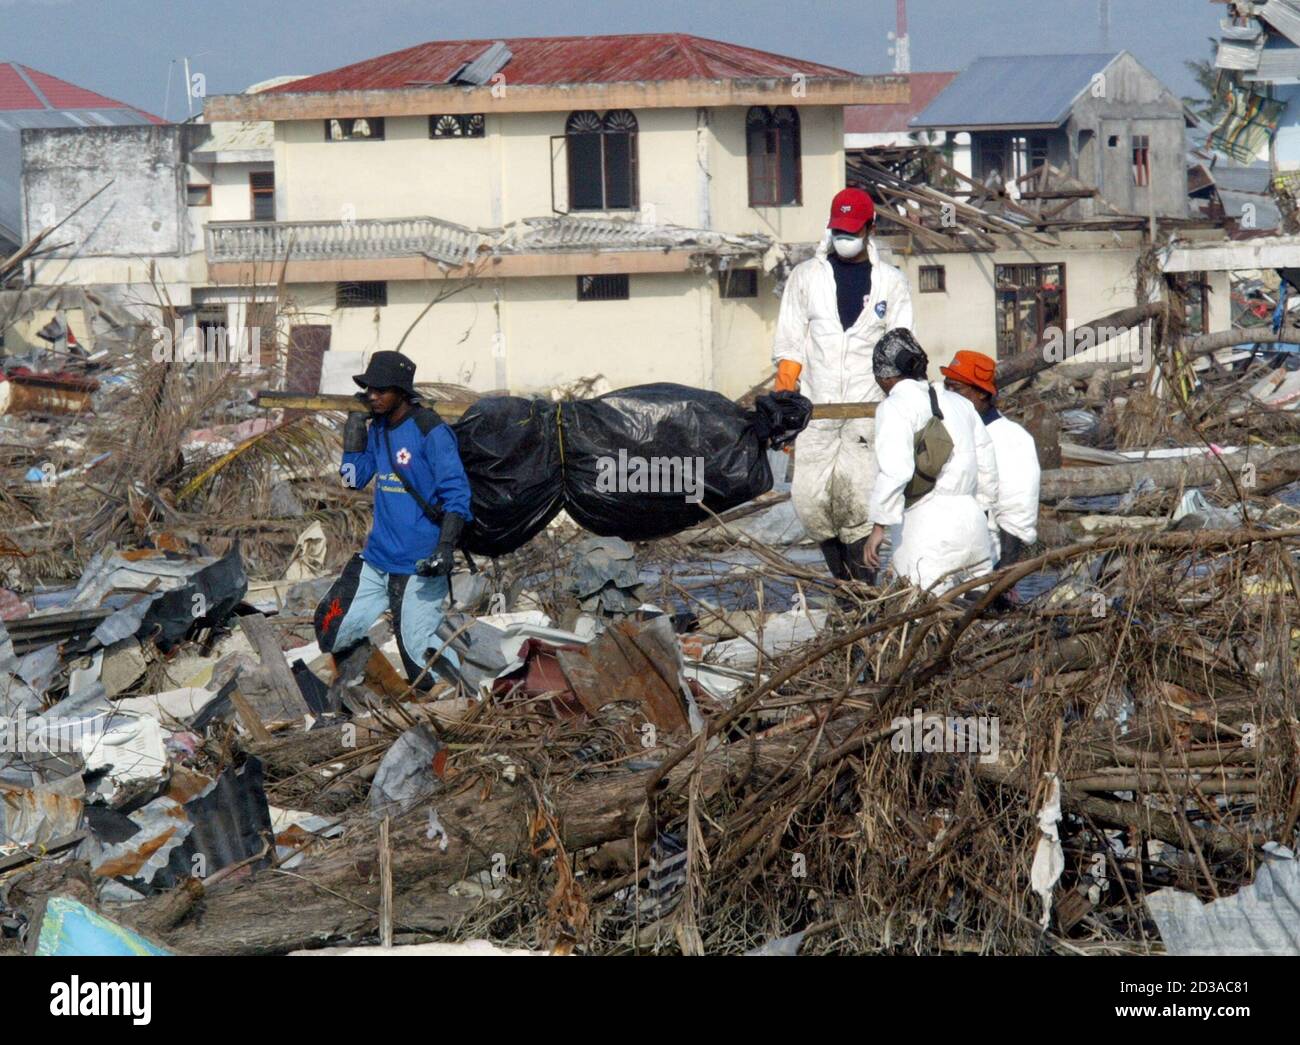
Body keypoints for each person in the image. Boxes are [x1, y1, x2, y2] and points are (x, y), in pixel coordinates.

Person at [773, 186, 913, 582]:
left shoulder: (891, 283)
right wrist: (785, 396)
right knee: (813, 504)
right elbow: (790, 344)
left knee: (861, 505)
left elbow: (901, 348)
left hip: (868, 413)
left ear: (870, 227)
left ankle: (863, 595)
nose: (845, 238)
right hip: (817, 413)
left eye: (853, 230)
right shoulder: (806, 278)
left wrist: (902, 405)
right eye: (839, 229)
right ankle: (843, 587)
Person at [313, 350, 473, 688]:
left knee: (422, 667)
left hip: (418, 564)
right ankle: (366, 681)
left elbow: (457, 495)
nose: (372, 396)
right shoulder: (379, 428)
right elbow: (351, 481)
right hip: (378, 559)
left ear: (402, 391)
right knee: (331, 631)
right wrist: (353, 435)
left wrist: (445, 548)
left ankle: (458, 696)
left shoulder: (430, 430)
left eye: (381, 390)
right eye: (369, 389)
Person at [863, 330, 999, 594]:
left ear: (885, 375)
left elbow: (896, 471)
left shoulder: (894, 407)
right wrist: (982, 511)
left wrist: (878, 527)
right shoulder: (960, 403)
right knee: (977, 618)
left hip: (927, 532)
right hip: (973, 525)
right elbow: (987, 465)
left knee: (921, 615)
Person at [939, 350, 1040, 568]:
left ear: (982, 393)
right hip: (943, 551)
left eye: (955, 389)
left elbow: (1017, 515)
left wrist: (1002, 579)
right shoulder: (946, 429)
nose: (948, 395)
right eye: (946, 387)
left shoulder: (1012, 439)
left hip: (984, 558)